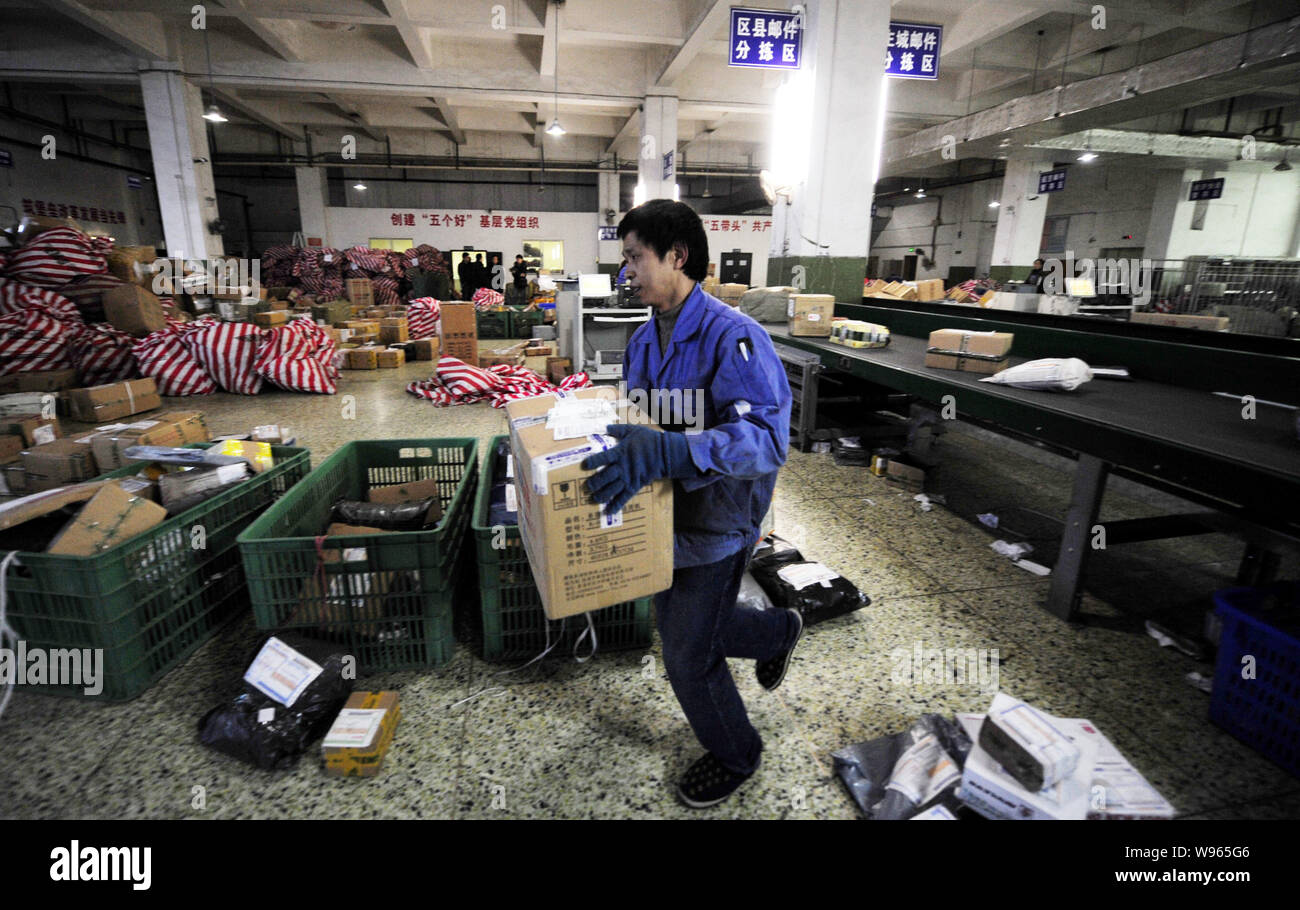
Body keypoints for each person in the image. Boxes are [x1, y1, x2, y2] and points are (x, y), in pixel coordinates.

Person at [581, 199, 799, 809]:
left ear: (677, 256)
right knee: (693, 626)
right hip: (665, 517)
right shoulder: (645, 338)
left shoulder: (735, 338)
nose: (627, 271)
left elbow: (766, 440)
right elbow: (641, 419)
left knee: (684, 654)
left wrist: (676, 455)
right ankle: (781, 628)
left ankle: (739, 752)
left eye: (635, 257)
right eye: (625, 258)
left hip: (719, 522)